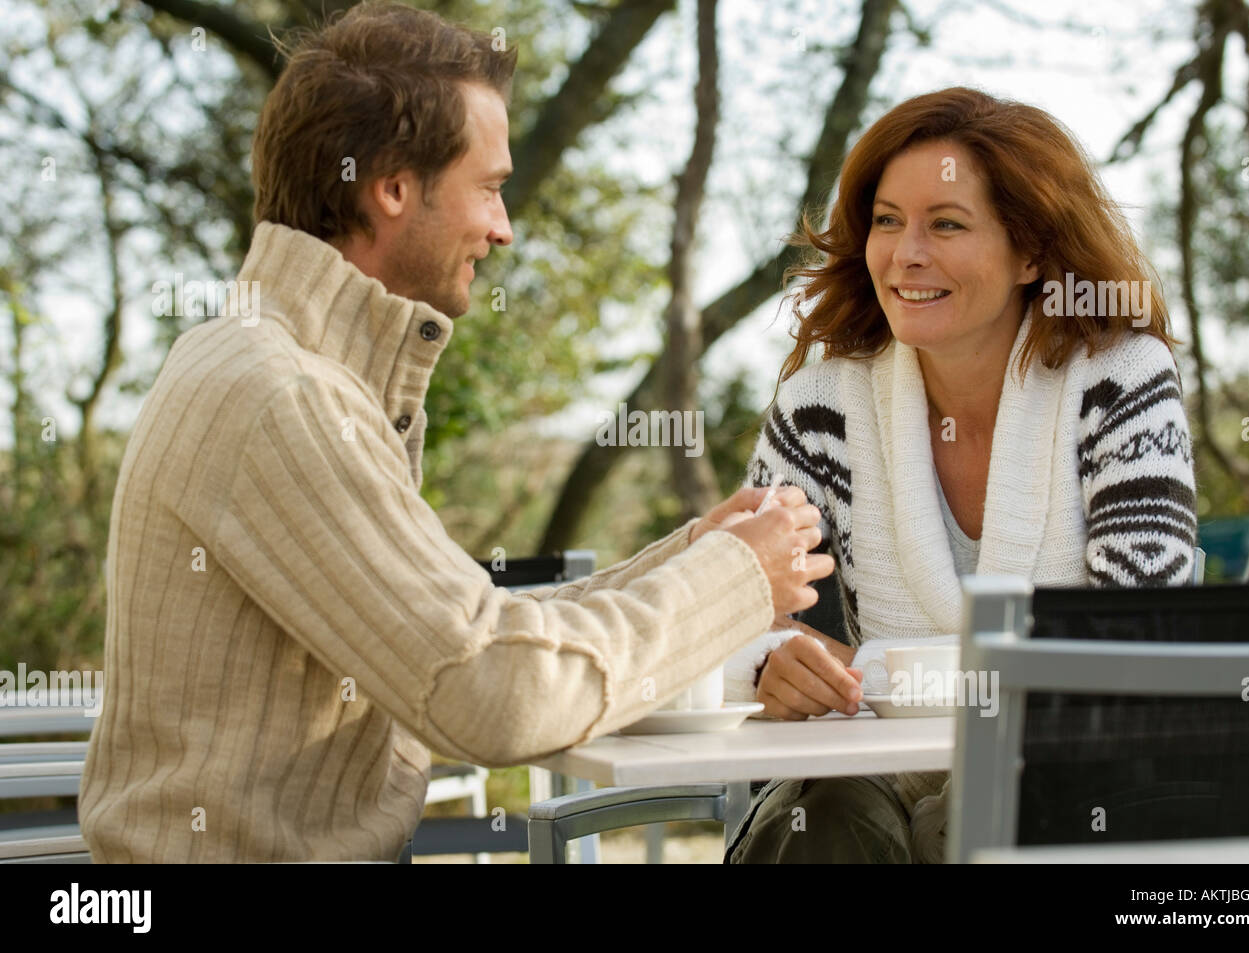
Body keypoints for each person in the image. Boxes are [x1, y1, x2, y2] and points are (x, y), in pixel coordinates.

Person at [78, 1, 833, 863]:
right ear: (392, 186)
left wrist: (693, 552)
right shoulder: (281, 397)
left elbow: (471, 633)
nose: (503, 227)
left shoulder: (285, 371)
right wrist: (733, 579)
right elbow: (491, 690)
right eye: (491, 186)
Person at [721, 86, 1198, 863]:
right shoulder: (821, 406)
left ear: (1032, 250)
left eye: (946, 224)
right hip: (876, 766)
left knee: (975, 817)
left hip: (1070, 769)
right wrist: (772, 661)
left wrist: (911, 690)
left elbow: (1138, 631)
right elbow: (736, 610)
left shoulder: (1121, 380)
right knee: (827, 820)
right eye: (886, 221)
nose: (906, 254)